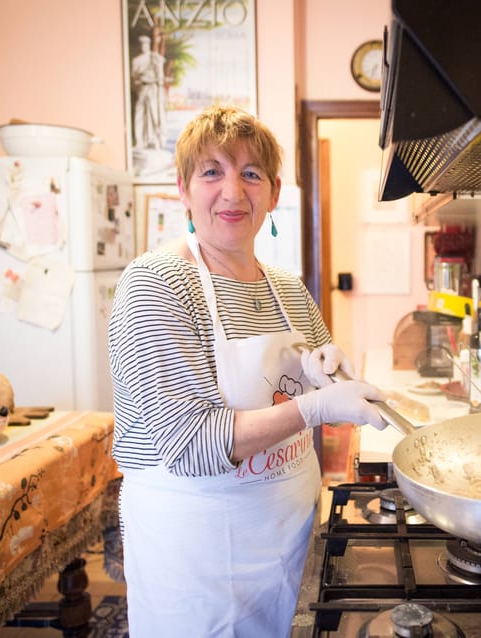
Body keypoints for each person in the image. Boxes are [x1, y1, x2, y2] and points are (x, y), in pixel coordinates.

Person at [108, 105, 388, 637]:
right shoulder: (156, 285)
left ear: (274, 192)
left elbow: (318, 374)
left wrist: (329, 368)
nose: (234, 192)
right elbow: (188, 444)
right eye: (212, 171)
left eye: (250, 173)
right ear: (183, 189)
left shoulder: (287, 287)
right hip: (200, 559)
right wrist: (318, 406)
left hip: (287, 539)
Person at [131, 34, 166, 150]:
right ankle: (140, 141)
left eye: (146, 44)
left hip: (153, 89)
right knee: (140, 114)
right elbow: (134, 77)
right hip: (142, 89)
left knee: (154, 115)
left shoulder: (154, 58)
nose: (143, 46)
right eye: (142, 44)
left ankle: (155, 140)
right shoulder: (137, 60)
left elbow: (160, 75)